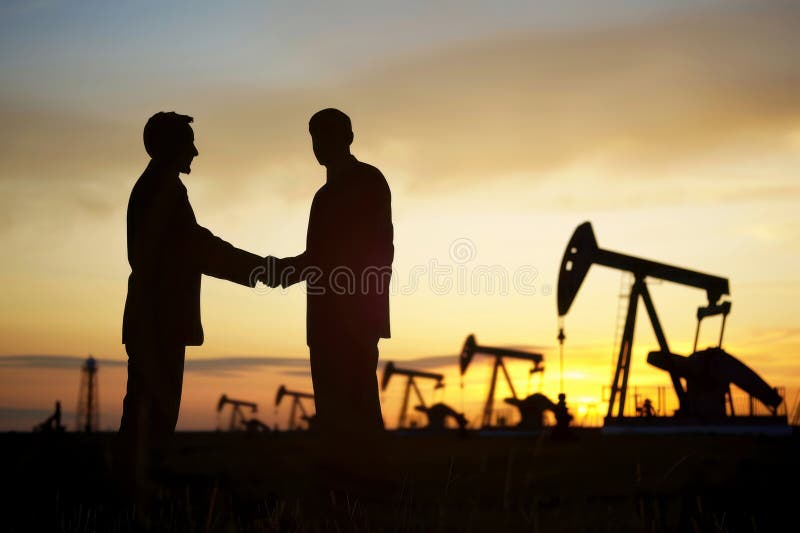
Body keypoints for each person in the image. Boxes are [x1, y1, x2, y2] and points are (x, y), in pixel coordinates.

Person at [120, 111, 266, 477]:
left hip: (152, 320)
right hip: (158, 321)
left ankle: (134, 494)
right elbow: (198, 248)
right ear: (171, 146)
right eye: (189, 143)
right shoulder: (165, 189)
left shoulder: (155, 186)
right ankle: (137, 499)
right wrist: (265, 269)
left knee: (146, 416)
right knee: (154, 417)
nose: (196, 152)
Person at [269, 108, 393, 439]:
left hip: (354, 319)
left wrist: (281, 271)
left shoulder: (368, 181)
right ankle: (343, 486)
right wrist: (282, 271)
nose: (320, 144)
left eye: (328, 135)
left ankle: (367, 486)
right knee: (334, 418)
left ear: (349, 138)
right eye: (315, 137)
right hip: (326, 321)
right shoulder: (323, 196)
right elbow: (322, 256)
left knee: (359, 414)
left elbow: (353, 252)